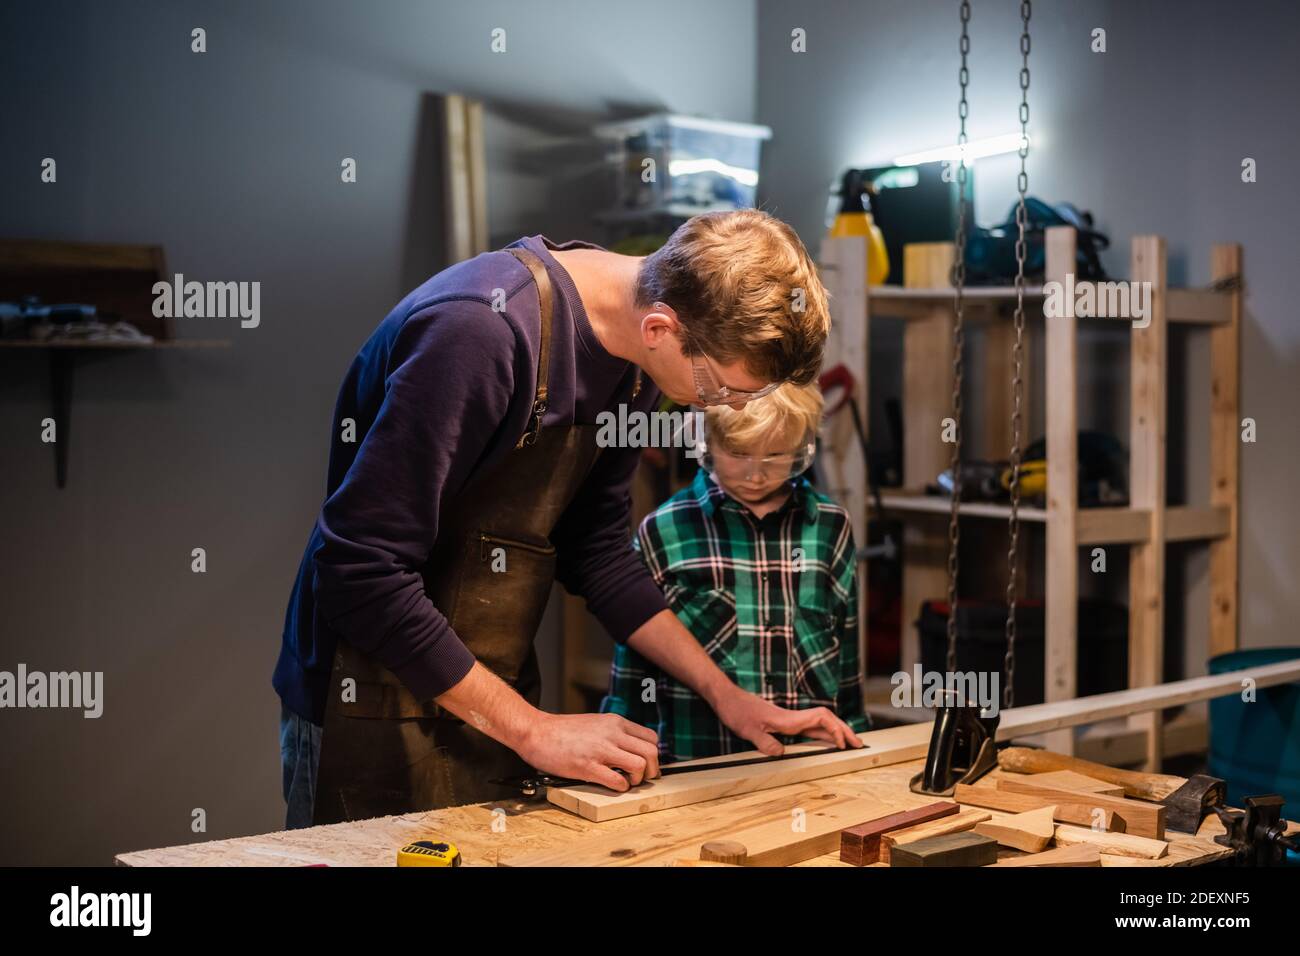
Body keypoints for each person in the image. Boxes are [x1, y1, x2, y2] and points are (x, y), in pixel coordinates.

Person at [273, 209, 862, 828]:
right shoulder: (480, 331)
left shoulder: (634, 360)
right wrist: (532, 730)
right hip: (364, 693)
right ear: (661, 327)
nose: (720, 409)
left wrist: (730, 698)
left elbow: (598, 551)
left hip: (487, 691)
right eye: (720, 392)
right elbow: (358, 570)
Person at [602, 384, 871, 761]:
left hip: (808, 763)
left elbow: (847, 654)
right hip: (698, 763)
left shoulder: (830, 526)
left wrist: (856, 739)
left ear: (802, 447)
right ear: (706, 440)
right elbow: (632, 667)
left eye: (777, 455)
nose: (756, 475)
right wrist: (622, 753)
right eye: (739, 453)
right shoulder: (665, 529)